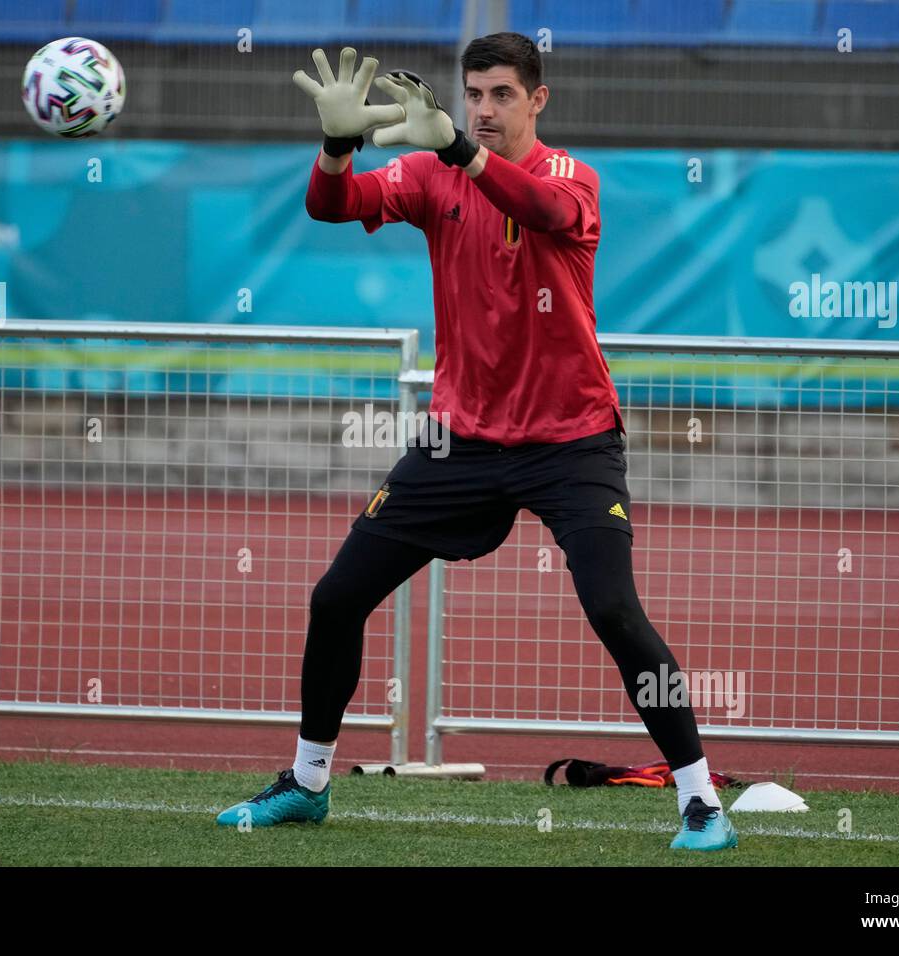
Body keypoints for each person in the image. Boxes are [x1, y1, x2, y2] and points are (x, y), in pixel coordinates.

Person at [215, 33, 737, 851]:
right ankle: (308, 783)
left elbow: (542, 210)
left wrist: (458, 150)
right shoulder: (429, 173)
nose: (484, 110)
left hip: (573, 440)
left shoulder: (569, 177)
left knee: (613, 608)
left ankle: (701, 800)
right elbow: (332, 206)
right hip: (462, 439)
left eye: (500, 96)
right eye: (474, 96)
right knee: (336, 597)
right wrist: (336, 145)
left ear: (538, 101)